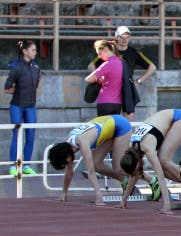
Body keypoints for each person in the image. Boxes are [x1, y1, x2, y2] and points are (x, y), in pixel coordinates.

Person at [119, 108, 181, 214]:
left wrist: (167, 205)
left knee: (163, 160)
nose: (140, 170)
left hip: (179, 118)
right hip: (167, 120)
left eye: (139, 168)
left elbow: (160, 177)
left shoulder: (146, 146)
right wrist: (123, 200)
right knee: (164, 168)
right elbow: (134, 175)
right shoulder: (132, 150)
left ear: (138, 162)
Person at [47, 115, 132, 205]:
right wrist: (64, 193)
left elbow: (90, 172)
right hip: (109, 126)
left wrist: (99, 197)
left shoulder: (83, 143)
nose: (68, 163)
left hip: (121, 126)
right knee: (96, 164)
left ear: (67, 155)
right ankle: (125, 181)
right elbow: (69, 172)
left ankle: (141, 176)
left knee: (119, 169)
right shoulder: (68, 145)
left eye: (66, 162)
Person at [4, 40, 40, 176]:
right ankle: (13, 166)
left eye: (35, 50)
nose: (35, 52)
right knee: (17, 135)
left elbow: (37, 86)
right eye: (33, 50)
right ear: (25, 51)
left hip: (31, 107)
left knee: (30, 136)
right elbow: (7, 88)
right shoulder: (16, 68)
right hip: (17, 106)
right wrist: (18, 91)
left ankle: (26, 166)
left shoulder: (36, 68)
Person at [88, 26, 156, 93]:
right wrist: (99, 80)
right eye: (121, 37)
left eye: (127, 37)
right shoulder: (109, 50)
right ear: (116, 37)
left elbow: (152, 67)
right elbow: (91, 66)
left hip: (126, 88)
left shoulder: (134, 52)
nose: (125, 39)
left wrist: (138, 81)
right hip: (110, 88)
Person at [86, 40, 124, 118]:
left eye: (99, 53)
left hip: (105, 102)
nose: (99, 56)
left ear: (105, 49)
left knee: (103, 125)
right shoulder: (121, 62)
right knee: (113, 125)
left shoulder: (107, 64)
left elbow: (88, 79)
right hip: (118, 104)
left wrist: (99, 79)